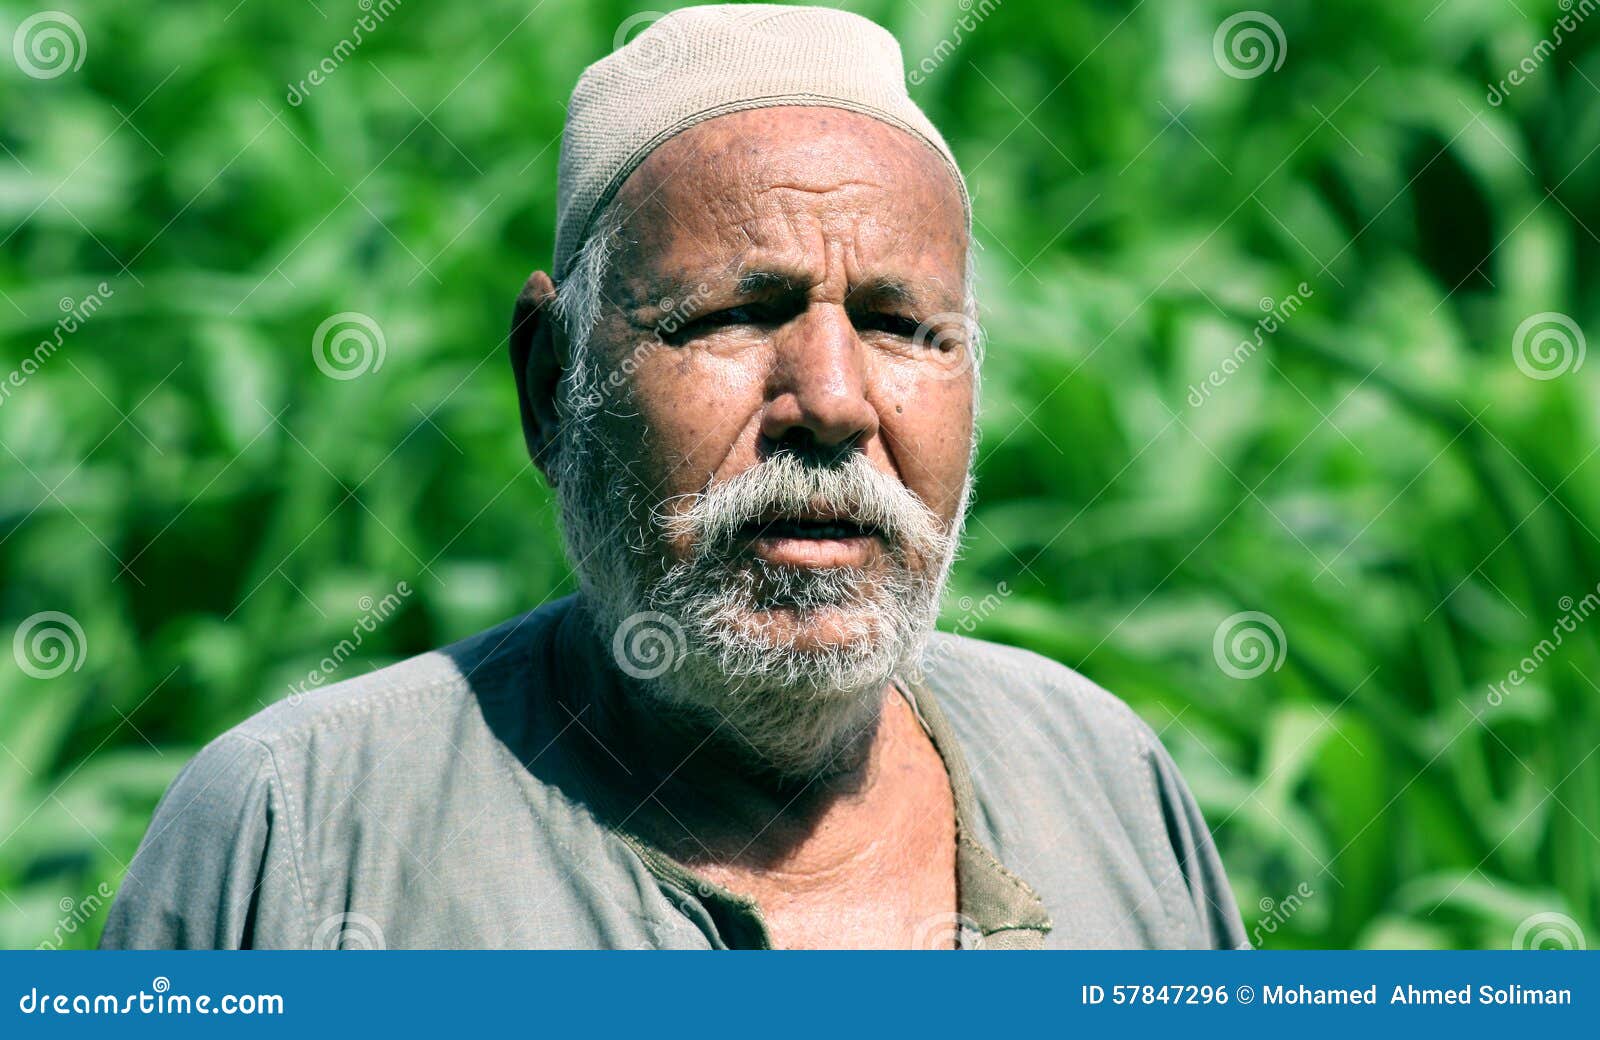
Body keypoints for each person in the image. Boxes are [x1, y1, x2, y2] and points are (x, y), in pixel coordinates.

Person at [101, 3, 1246, 950]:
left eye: (902, 326)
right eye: (738, 315)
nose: (834, 400)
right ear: (552, 384)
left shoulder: (1101, 781)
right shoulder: (294, 832)